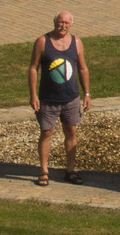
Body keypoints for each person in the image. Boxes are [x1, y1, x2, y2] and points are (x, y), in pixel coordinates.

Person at [28, 10, 91, 187]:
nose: (63, 26)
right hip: (48, 99)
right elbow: (33, 68)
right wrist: (33, 95)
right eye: (60, 22)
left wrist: (87, 94)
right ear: (54, 22)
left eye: (66, 23)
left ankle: (70, 170)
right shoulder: (43, 41)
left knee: (71, 132)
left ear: (71, 24)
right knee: (46, 132)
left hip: (71, 98)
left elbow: (83, 68)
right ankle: (43, 171)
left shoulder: (76, 42)